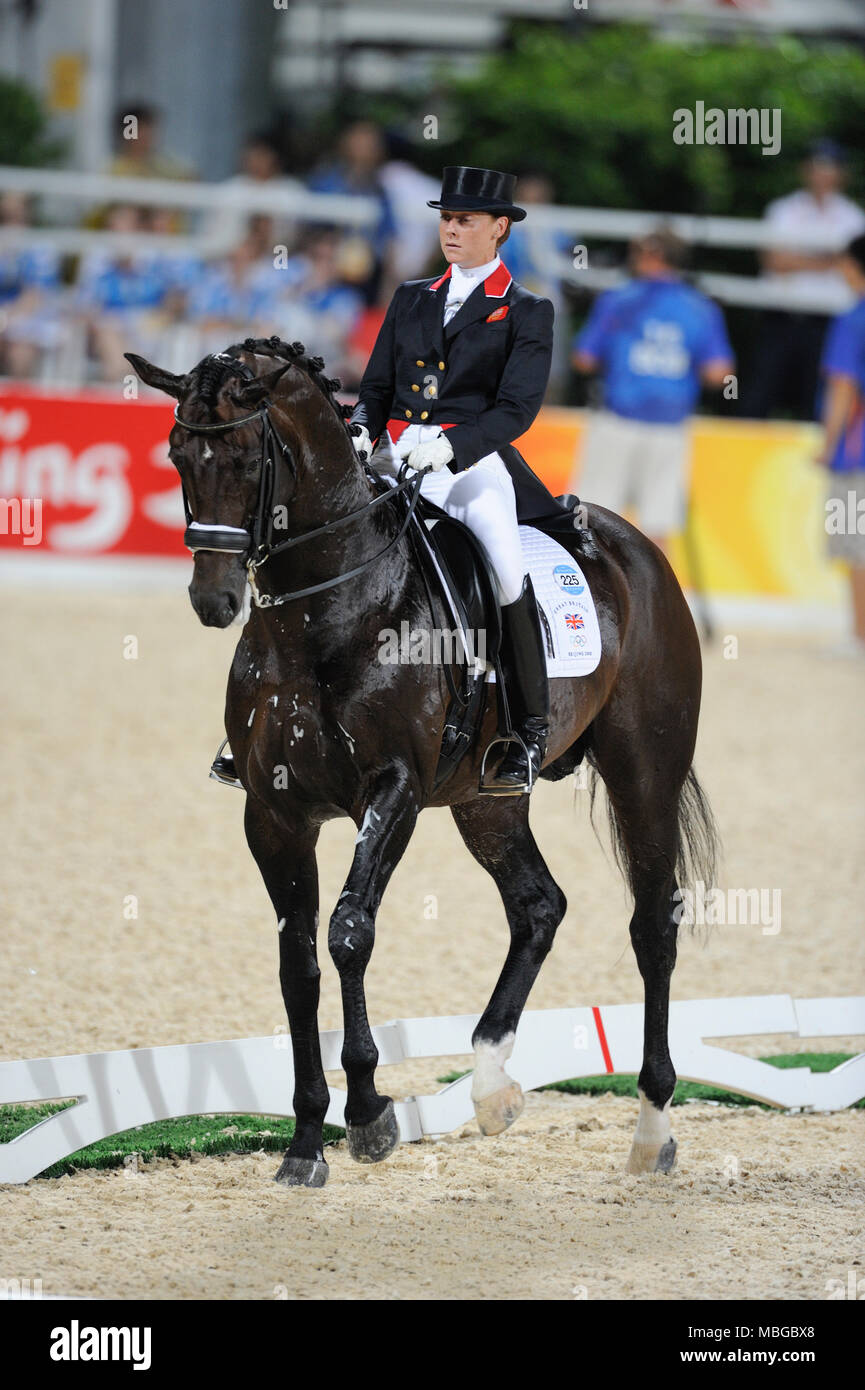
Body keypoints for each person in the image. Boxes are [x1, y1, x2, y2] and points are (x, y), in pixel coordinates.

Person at [350, 165, 571, 793]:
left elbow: (517, 410)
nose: (451, 229)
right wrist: (363, 430)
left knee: (505, 566)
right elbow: (375, 388)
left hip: (469, 464)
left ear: (499, 228)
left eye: (465, 220)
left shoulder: (527, 310)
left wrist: (450, 447)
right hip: (395, 456)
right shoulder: (410, 296)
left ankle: (528, 732)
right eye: (446, 218)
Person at [570, 227, 734, 556]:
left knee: (592, 519)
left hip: (618, 420)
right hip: (669, 427)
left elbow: (584, 359)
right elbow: (719, 373)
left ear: (650, 255)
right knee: (658, 528)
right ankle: (657, 590)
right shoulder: (700, 307)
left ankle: (587, 585)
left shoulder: (618, 299)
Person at [741, 139, 865, 421]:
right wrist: (830, 260)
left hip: (826, 323)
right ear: (805, 169)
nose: (822, 174)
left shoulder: (854, 217)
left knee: (818, 405)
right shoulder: (782, 209)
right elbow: (774, 260)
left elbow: (852, 267)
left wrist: (797, 259)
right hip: (780, 318)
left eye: (829, 167)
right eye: (817, 166)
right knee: (756, 400)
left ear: (842, 173)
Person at [817, 232, 865, 656]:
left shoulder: (853, 319)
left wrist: (829, 444)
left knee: (857, 544)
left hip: (857, 449)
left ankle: (860, 636)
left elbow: (843, 386)